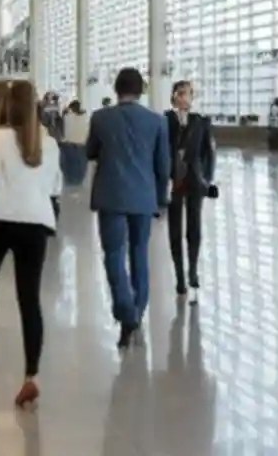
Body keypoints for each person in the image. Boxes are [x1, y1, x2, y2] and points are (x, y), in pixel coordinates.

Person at [0, 80, 61, 409]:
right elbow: (56, 185)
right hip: (35, 224)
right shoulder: (49, 142)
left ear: (8, 105)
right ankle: (31, 377)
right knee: (29, 298)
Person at [87, 68, 170, 349]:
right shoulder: (157, 122)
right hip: (143, 198)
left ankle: (126, 311)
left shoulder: (100, 118)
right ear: (141, 90)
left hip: (110, 196)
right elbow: (163, 166)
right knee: (139, 253)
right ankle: (137, 312)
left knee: (113, 253)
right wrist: (160, 199)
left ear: (116, 89)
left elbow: (90, 151)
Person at [165, 80, 215, 303]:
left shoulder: (201, 122)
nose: (186, 98)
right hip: (173, 180)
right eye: (182, 93)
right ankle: (178, 275)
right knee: (174, 230)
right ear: (174, 96)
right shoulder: (165, 120)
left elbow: (209, 153)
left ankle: (193, 269)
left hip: (194, 180)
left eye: (189, 94)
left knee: (193, 227)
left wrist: (207, 178)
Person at [61, 100, 89, 186]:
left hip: (69, 144)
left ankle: (70, 180)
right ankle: (79, 180)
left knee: (69, 164)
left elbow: (63, 121)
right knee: (81, 164)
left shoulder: (67, 117)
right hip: (82, 144)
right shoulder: (85, 117)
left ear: (71, 108)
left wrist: (65, 111)